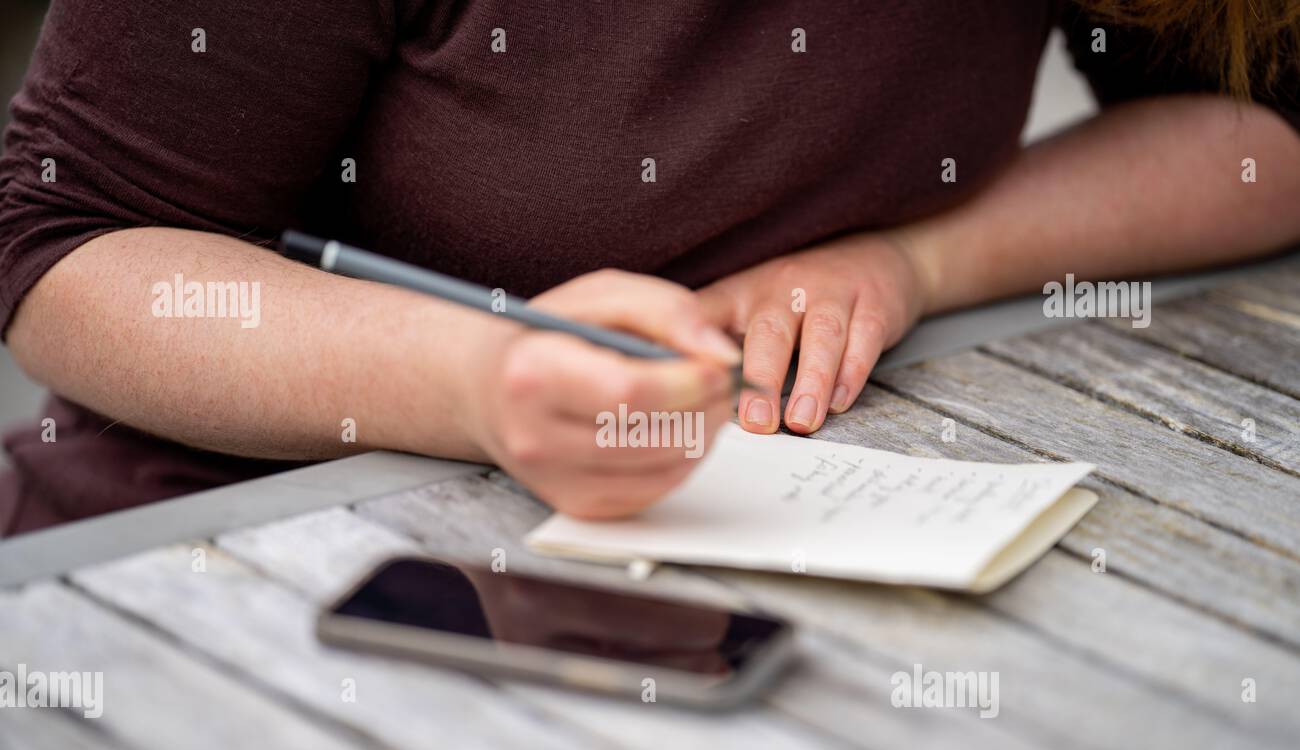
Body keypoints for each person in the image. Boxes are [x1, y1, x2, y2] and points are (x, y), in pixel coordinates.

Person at [1, 1, 1297, 535]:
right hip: (213, 559)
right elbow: (62, 249)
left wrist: (912, 260)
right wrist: (476, 382)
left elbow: (1264, 135)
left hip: (754, 541)